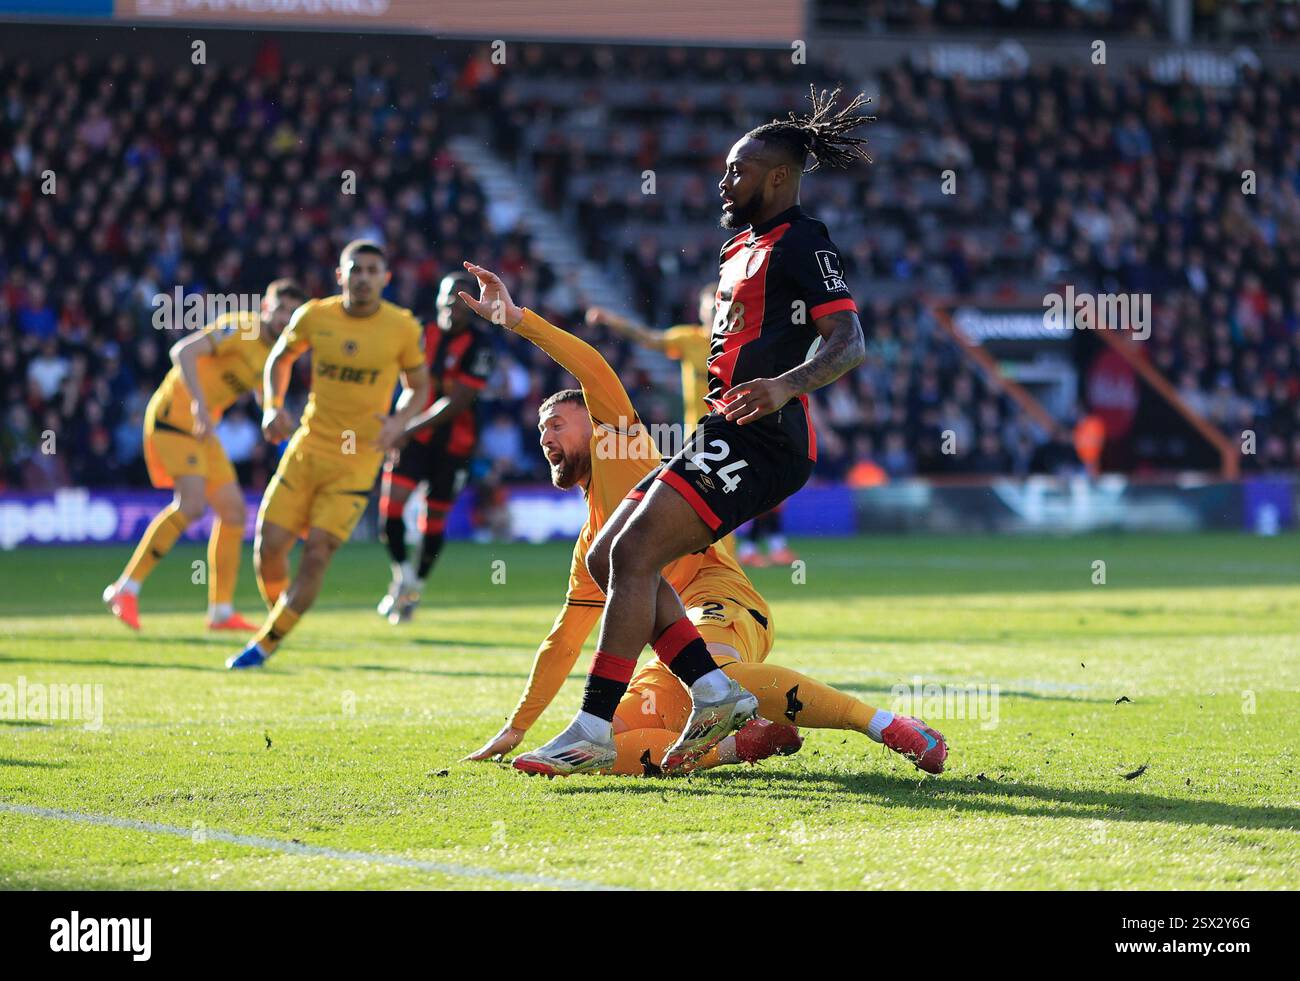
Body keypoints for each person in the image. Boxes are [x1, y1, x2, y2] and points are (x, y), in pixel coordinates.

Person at [511, 86, 882, 773]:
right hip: (721, 432)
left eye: (739, 170)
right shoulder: (738, 245)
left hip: (765, 437)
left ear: (777, 178)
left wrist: (785, 384)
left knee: (633, 553)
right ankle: (712, 691)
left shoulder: (802, 241)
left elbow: (850, 339)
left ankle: (594, 724)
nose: (725, 179)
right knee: (609, 556)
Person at [458, 263, 947, 777]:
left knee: (718, 673)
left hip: (720, 601)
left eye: (556, 423)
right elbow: (562, 642)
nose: (545, 437)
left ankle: (882, 722)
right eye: (539, 431)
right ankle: (743, 743)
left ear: (593, 421)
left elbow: (592, 366)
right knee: (612, 744)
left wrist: (518, 321)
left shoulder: (619, 443)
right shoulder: (590, 546)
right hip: (672, 650)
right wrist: (516, 728)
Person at [226, 241, 429, 669]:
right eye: (356, 269)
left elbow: (420, 385)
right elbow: (280, 358)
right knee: (269, 548)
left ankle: (266, 643)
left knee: (318, 552)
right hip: (308, 446)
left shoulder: (402, 326)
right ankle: (283, 617)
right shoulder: (314, 315)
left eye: (373, 270)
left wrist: (400, 422)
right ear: (341, 275)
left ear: (385, 278)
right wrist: (272, 406)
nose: (364, 277)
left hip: (358, 461)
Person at [102, 279, 305, 632]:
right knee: (192, 505)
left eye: (292, 312)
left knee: (233, 512)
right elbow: (183, 351)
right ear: (265, 308)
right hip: (175, 416)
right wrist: (198, 401)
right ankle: (124, 589)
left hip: (202, 429)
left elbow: (262, 394)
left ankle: (220, 612)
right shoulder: (241, 327)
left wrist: (275, 415)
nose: (283, 317)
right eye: (279, 307)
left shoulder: (276, 353)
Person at [376, 271, 495, 624]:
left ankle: (415, 590)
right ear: (437, 299)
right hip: (413, 440)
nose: (450, 306)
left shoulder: (481, 347)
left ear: (471, 308)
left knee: (434, 522)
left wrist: (405, 427)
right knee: (390, 513)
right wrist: (396, 422)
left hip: (454, 448)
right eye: (445, 297)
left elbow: (458, 402)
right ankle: (403, 577)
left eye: (459, 301)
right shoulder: (418, 333)